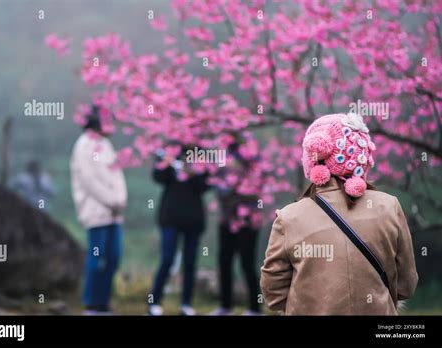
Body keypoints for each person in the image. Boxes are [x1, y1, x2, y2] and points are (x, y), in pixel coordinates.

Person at [260, 113, 418, 315]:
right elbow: (407, 284)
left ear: (313, 158)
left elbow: (273, 293)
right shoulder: (389, 207)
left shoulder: (289, 217)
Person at [70, 105, 127, 315]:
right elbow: (89, 179)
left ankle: (103, 302)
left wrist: (120, 199)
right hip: (96, 211)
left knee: (113, 257)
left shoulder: (105, 144)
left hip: (114, 213)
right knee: (97, 256)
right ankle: (92, 303)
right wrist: (112, 200)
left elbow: (117, 174)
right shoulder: (84, 146)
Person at [148, 145, 209, 316]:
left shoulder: (201, 152)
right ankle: (154, 302)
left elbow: (206, 185)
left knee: (190, 263)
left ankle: (186, 303)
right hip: (171, 217)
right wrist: (167, 164)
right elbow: (157, 177)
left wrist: (193, 174)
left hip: (193, 219)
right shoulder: (169, 149)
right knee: (167, 259)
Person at [210, 144, 262, 316]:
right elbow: (218, 187)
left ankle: (255, 308)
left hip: (248, 219)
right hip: (227, 219)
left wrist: (234, 189)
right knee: (224, 261)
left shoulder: (253, 156)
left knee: (247, 262)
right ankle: (225, 306)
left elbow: (257, 187)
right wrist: (233, 190)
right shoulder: (222, 156)